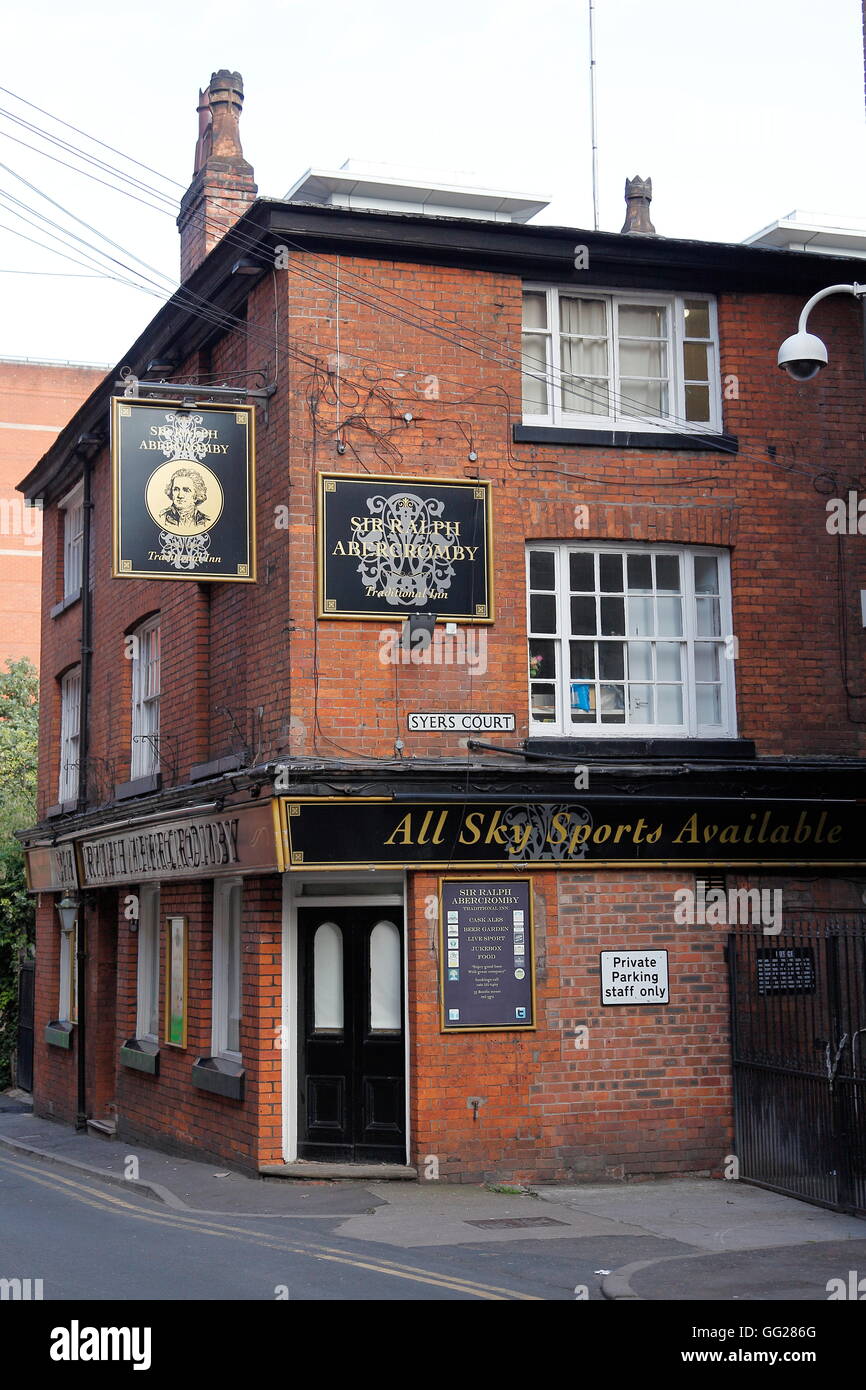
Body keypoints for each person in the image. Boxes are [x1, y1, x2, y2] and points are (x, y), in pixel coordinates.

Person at [159, 467, 210, 532]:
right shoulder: (162, 517)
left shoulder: (206, 521)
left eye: (186, 490)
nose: (180, 496)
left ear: (196, 494)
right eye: (176, 489)